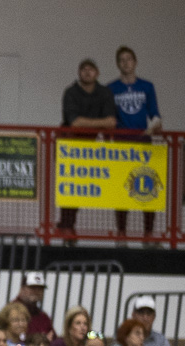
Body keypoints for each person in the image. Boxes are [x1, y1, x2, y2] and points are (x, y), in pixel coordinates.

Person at [57, 59, 117, 241]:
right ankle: (67, 226)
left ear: (97, 73)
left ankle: (67, 225)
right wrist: (100, 123)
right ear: (79, 72)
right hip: (70, 146)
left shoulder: (104, 92)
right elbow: (75, 123)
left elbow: (112, 122)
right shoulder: (71, 92)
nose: (87, 72)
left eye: (91, 69)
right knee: (70, 186)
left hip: (92, 148)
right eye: (83, 69)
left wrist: (87, 123)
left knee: (85, 188)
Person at [108, 47, 160, 242]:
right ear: (118, 64)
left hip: (143, 142)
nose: (126, 63)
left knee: (147, 185)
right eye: (122, 60)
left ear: (135, 62)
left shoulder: (147, 86)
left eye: (129, 59)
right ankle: (121, 232)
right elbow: (109, 118)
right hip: (121, 144)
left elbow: (155, 114)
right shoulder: (111, 88)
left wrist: (153, 126)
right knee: (122, 188)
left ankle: (148, 232)